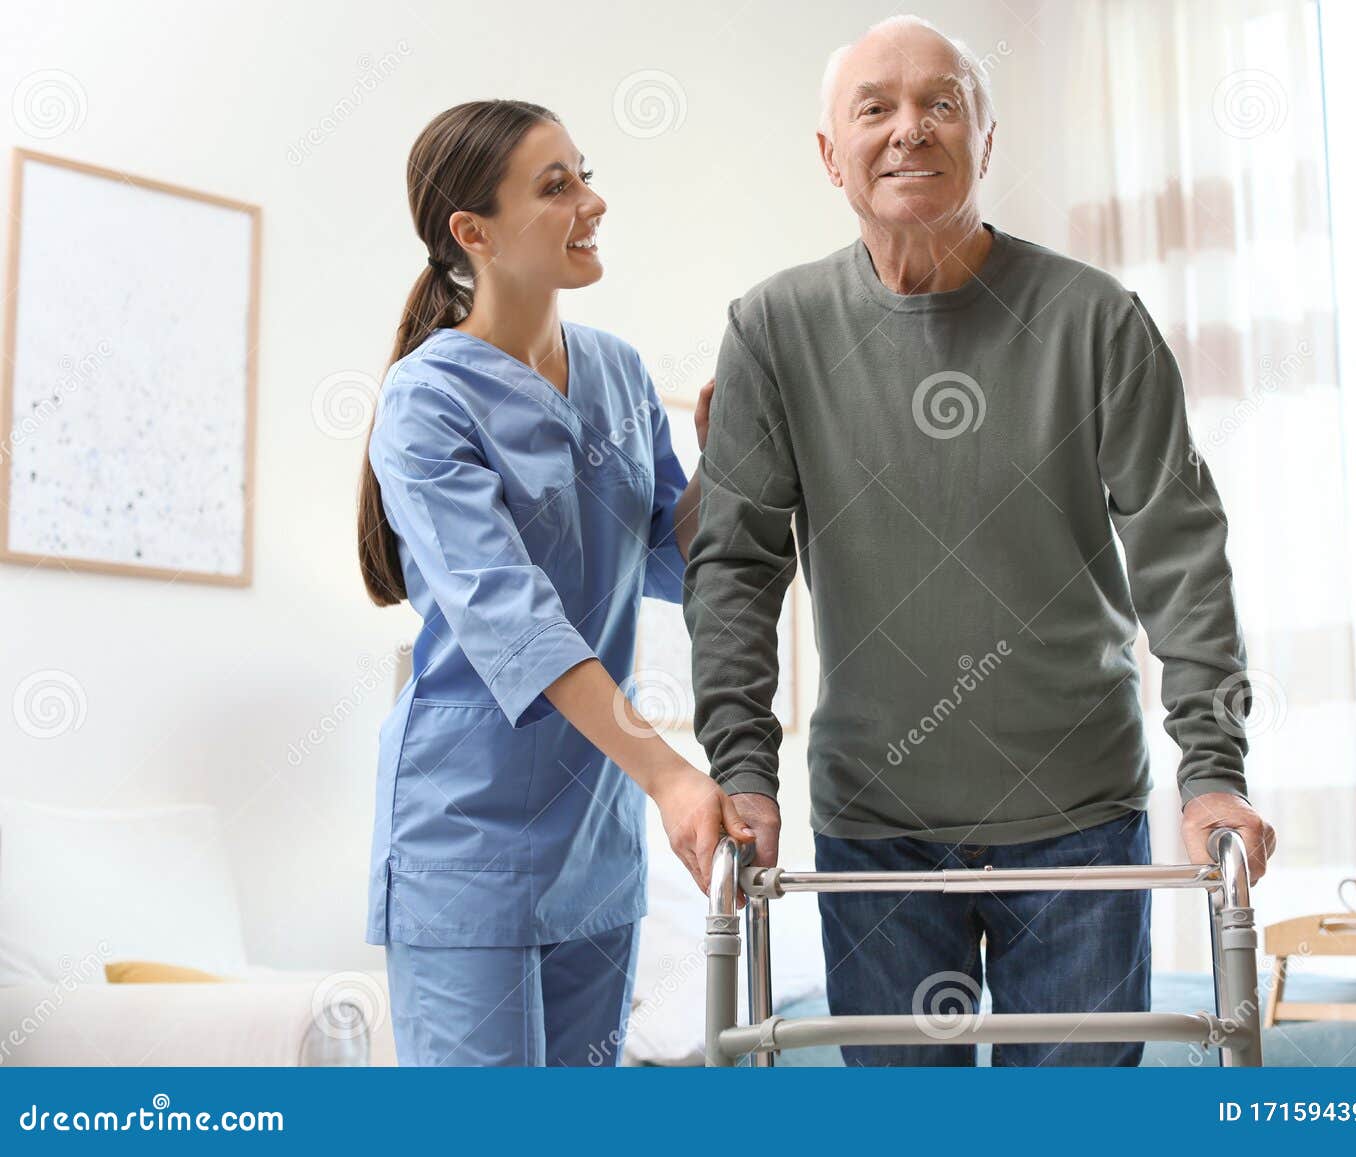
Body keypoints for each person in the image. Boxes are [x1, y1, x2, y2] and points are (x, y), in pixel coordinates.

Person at [684, 17, 1277, 1067]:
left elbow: (1179, 550)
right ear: (830, 153)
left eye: (941, 103)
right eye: (875, 107)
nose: (909, 129)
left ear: (985, 142)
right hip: (875, 825)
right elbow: (734, 563)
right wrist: (741, 765)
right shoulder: (774, 329)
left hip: (1077, 819)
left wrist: (1212, 769)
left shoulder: (1096, 321)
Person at [356, 99, 751, 1067]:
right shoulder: (428, 399)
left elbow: (669, 558)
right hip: (467, 841)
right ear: (472, 232)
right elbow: (512, 619)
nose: (593, 200)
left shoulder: (615, 371)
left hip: (595, 840)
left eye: (585, 172)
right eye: (557, 185)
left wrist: (721, 462)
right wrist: (667, 770)